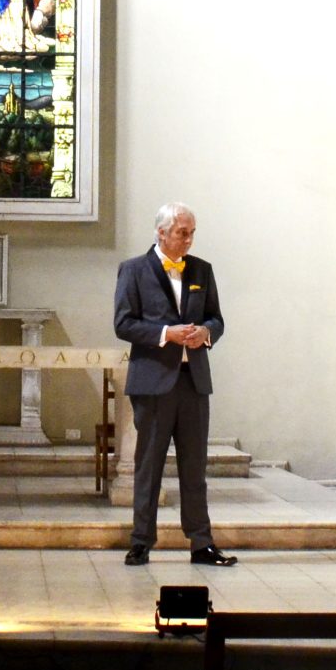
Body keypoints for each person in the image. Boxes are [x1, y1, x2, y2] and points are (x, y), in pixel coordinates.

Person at [114, 203, 236, 566]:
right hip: (153, 382)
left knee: (195, 467)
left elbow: (216, 318)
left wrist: (205, 332)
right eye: (183, 232)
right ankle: (141, 541)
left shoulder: (202, 269)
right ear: (161, 232)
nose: (189, 239)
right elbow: (123, 324)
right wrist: (167, 333)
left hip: (193, 382)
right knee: (149, 465)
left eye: (192, 232)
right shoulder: (134, 270)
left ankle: (201, 543)